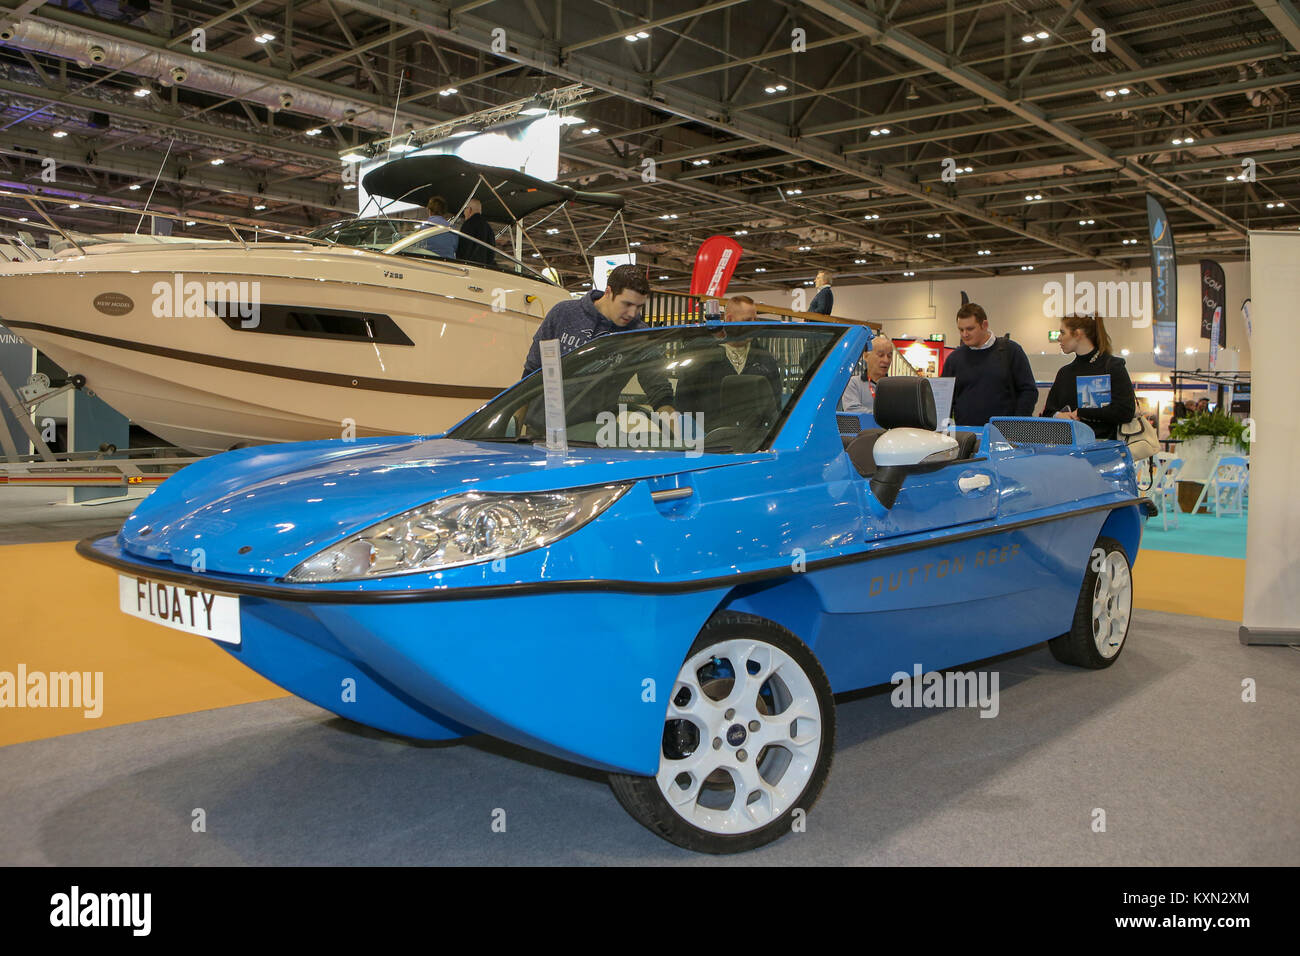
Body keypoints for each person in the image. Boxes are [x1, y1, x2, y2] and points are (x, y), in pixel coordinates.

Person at [675, 295, 782, 427]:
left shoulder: (765, 358)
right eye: (748, 321)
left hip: (755, 441)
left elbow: (775, 406)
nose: (754, 325)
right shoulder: (702, 355)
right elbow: (684, 404)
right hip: (709, 440)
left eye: (756, 319)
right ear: (730, 319)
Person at [1040, 313, 1136, 441]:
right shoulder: (1064, 373)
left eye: (1063, 333)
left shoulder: (1112, 367)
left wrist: (1082, 413)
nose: (1059, 338)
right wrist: (1058, 416)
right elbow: (1048, 412)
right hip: (1069, 451)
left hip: (1106, 449)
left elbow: (1125, 411)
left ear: (1077, 334)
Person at [940, 302, 1037, 426]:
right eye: (961, 329)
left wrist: (1016, 426)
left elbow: (1029, 391)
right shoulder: (954, 359)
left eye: (970, 329)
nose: (965, 334)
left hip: (1003, 436)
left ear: (984, 325)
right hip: (965, 436)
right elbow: (945, 400)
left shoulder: (1011, 351)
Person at [840, 334, 893, 414]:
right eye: (881, 355)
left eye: (889, 356)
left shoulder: (895, 386)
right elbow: (852, 411)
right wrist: (884, 417)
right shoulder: (853, 383)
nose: (886, 360)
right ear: (866, 356)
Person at [455, 197, 497, 267]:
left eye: (465, 209)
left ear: (470, 210)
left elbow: (464, 248)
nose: (464, 212)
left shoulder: (468, 224)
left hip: (470, 267)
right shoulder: (488, 227)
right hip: (485, 268)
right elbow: (491, 253)